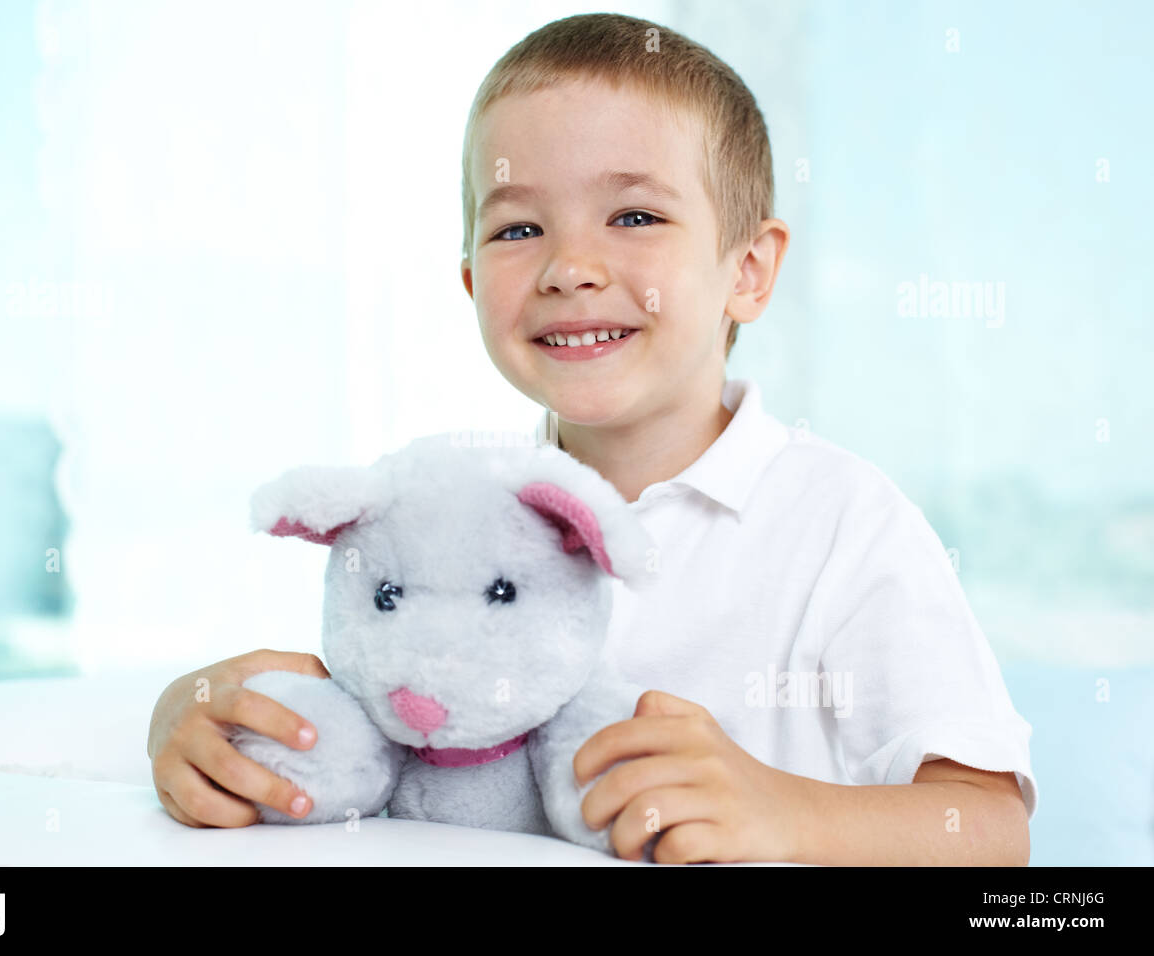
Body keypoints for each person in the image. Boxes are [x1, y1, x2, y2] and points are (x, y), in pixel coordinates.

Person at [147, 12, 1036, 864]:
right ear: (472, 282)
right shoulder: (449, 516)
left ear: (749, 270)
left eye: (635, 216)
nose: (569, 268)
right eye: (518, 228)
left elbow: (990, 827)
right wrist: (190, 727)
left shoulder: (843, 523)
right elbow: (370, 732)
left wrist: (780, 808)